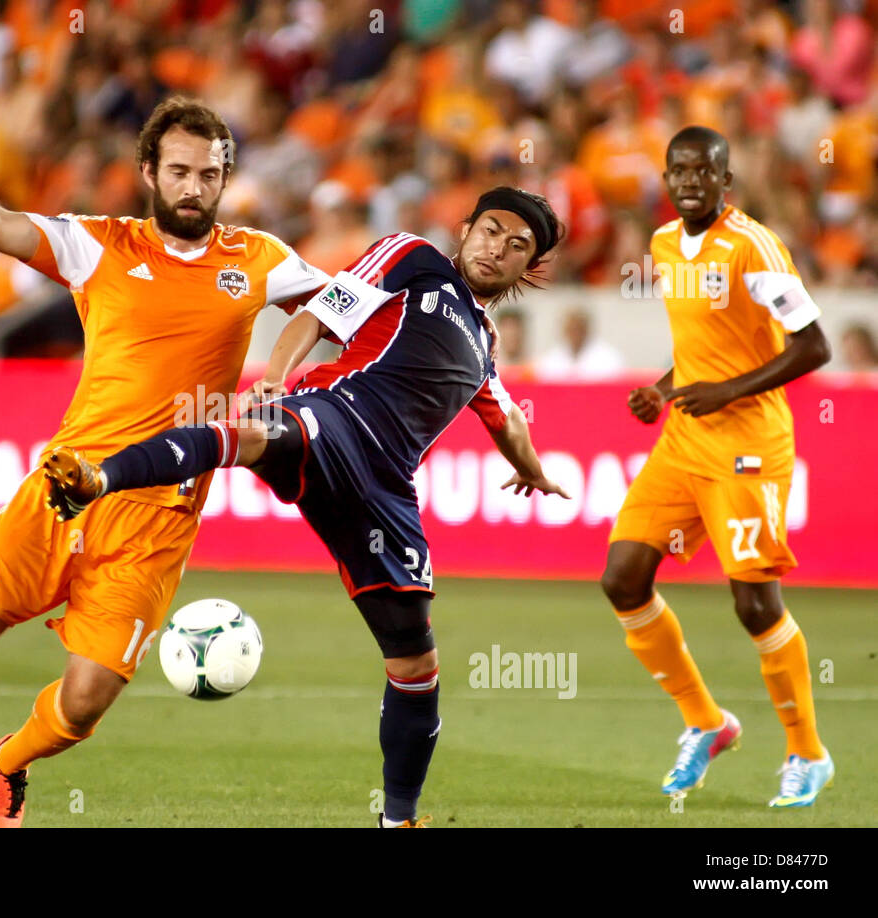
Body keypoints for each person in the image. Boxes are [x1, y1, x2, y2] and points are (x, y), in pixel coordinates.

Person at [43, 186, 569, 828]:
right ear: (467, 230)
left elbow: (507, 417)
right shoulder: (413, 258)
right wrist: (274, 376)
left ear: (529, 269)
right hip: (336, 416)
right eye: (491, 230)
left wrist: (533, 473)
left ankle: (397, 819)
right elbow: (319, 315)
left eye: (518, 247)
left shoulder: (483, 343)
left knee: (415, 664)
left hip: (386, 491)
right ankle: (100, 476)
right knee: (259, 432)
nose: (498, 249)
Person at [0, 69, 328, 828]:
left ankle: (7, 763)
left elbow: (333, 305)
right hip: (65, 486)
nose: (196, 187)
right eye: (182, 171)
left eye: (211, 174)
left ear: (226, 178)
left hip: (158, 513)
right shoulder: (99, 245)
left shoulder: (256, 256)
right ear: (149, 173)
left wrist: (278, 377)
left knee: (86, 701)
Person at [601, 126, 834, 807]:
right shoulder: (663, 244)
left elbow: (814, 346)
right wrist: (666, 389)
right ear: (666, 180)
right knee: (623, 578)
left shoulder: (753, 246)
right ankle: (707, 723)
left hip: (750, 445)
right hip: (685, 435)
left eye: (705, 171)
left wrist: (726, 393)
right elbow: (706, 353)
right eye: (679, 171)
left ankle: (807, 753)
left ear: (726, 181)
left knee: (755, 604)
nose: (691, 182)